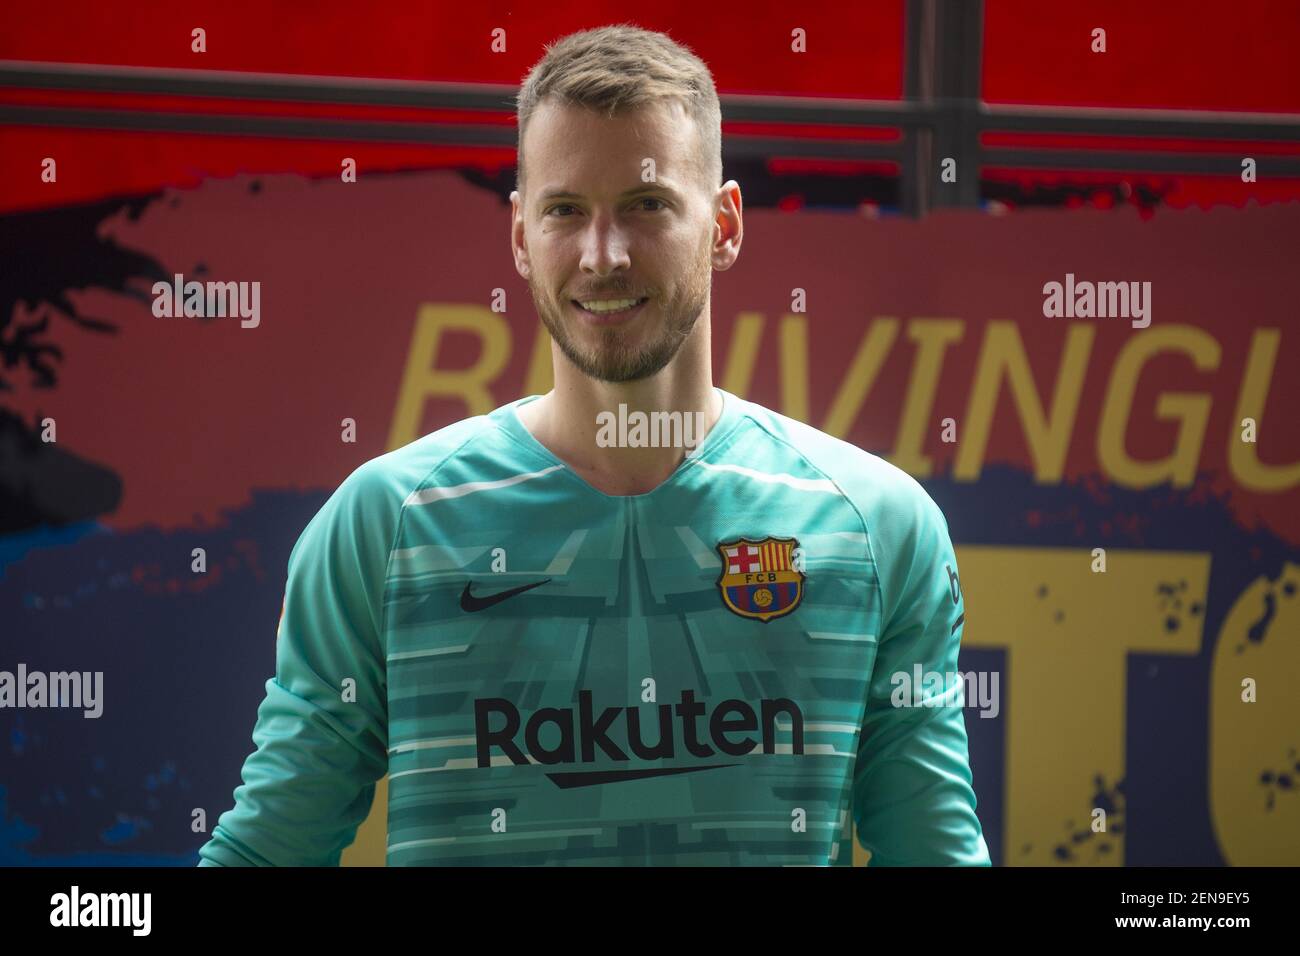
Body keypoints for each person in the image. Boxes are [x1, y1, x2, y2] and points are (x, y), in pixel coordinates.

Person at [198, 23, 990, 867]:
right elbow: (265, 853)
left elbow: (932, 854)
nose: (601, 255)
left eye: (647, 206)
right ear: (519, 236)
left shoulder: (880, 527)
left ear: (724, 225)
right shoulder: (383, 524)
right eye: (566, 211)